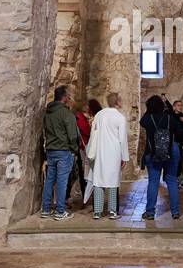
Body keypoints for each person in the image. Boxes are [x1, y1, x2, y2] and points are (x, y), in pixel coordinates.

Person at [139, 94, 183, 220]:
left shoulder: (148, 119)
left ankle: (150, 213)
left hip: (153, 152)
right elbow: (180, 132)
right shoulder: (170, 118)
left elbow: (141, 121)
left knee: (153, 181)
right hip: (171, 151)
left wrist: (149, 111)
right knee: (171, 180)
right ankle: (175, 212)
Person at [86, 92, 129, 219]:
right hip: (114, 153)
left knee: (98, 180)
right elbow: (122, 139)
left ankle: (97, 212)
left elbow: (93, 133)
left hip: (100, 151)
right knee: (113, 181)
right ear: (117, 102)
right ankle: (112, 211)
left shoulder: (99, 115)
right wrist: (124, 157)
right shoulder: (120, 117)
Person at [40, 85, 79, 220]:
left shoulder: (47, 112)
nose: (70, 98)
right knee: (62, 180)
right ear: (65, 97)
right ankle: (60, 211)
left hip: (51, 150)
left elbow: (44, 131)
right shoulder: (66, 114)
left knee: (50, 180)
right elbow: (73, 135)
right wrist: (74, 150)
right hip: (64, 150)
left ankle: (45, 209)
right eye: (69, 96)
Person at [68, 100, 92, 207]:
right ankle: (78, 194)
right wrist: (91, 125)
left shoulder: (80, 117)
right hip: (82, 148)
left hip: (82, 147)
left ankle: (81, 193)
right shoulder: (79, 118)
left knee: (82, 172)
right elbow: (86, 131)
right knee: (82, 172)